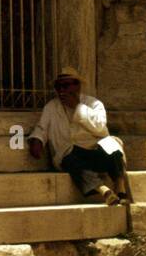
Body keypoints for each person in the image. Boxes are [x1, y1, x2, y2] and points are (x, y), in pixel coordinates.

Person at [28, 67, 130, 206]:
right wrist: (37, 140)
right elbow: (42, 128)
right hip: (71, 153)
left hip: (94, 151)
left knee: (112, 144)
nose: (62, 90)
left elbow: (100, 127)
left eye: (66, 85)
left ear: (77, 85)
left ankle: (120, 187)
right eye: (58, 86)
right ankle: (104, 191)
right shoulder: (51, 107)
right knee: (69, 160)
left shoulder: (93, 103)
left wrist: (77, 106)